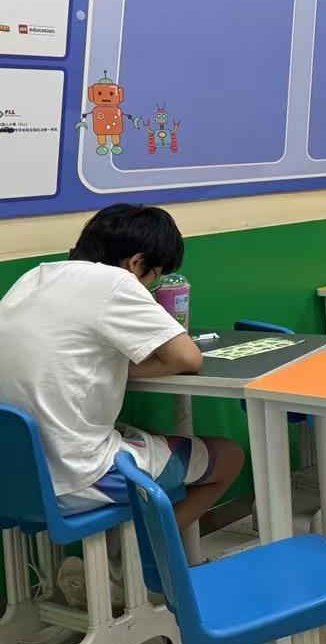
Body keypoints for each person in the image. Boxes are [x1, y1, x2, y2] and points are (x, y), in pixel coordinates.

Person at [0, 204, 245, 604]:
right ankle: (125, 567)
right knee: (228, 456)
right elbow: (187, 358)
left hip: (13, 476)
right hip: (77, 477)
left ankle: (115, 560)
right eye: (154, 277)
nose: (150, 286)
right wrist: (125, 370)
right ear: (137, 262)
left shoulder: (35, 277)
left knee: (143, 439)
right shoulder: (116, 283)